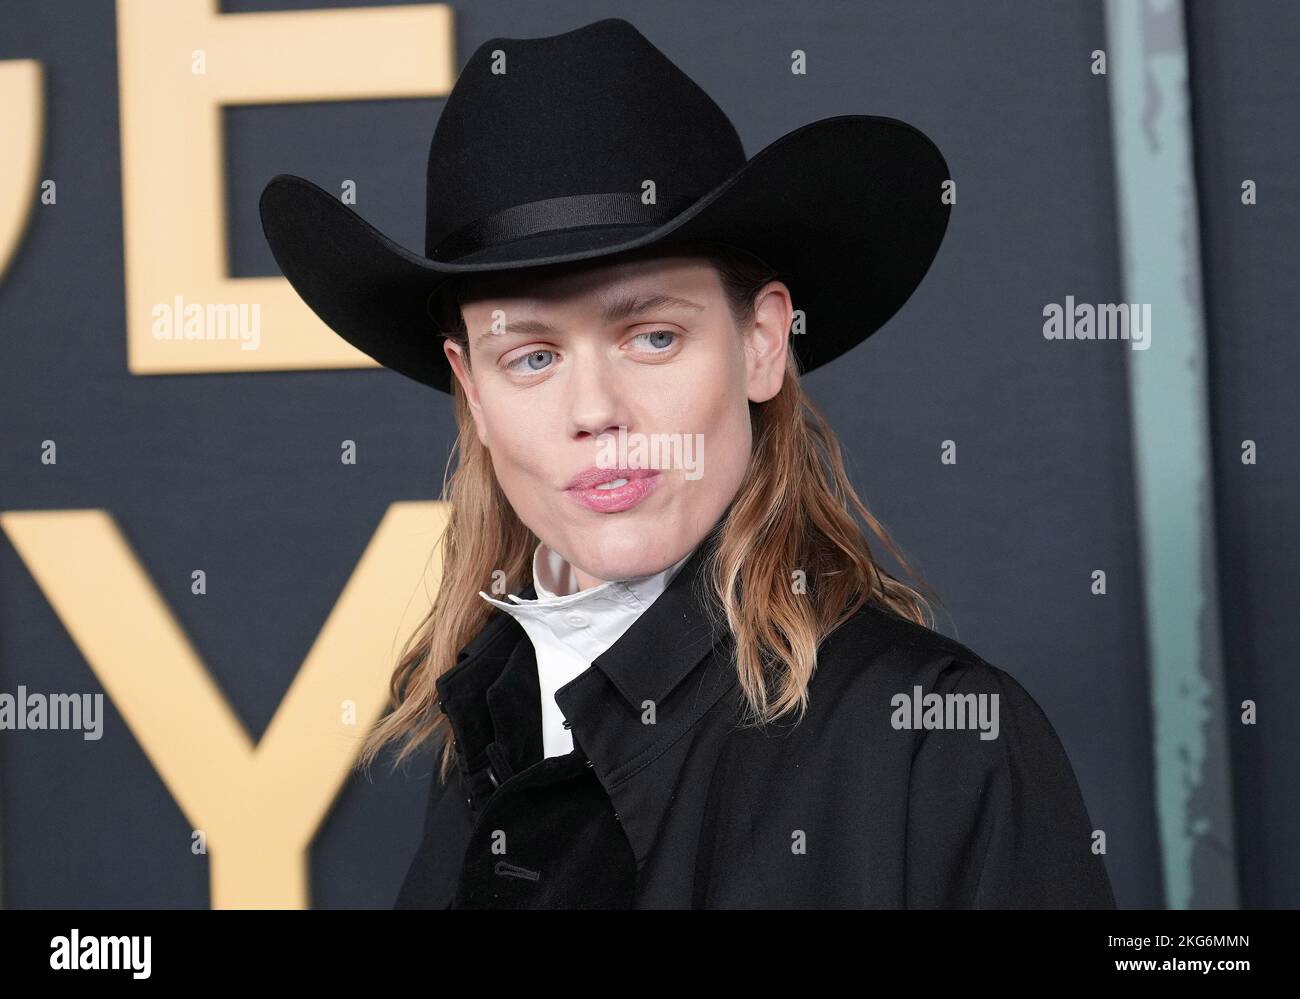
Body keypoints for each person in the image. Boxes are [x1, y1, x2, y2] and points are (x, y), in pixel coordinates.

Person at [259, 17, 1115, 909]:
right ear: (471, 389)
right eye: (533, 356)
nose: (595, 412)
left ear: (761, 342)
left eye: (653, 336)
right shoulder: (483, 736)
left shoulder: (939, 746)